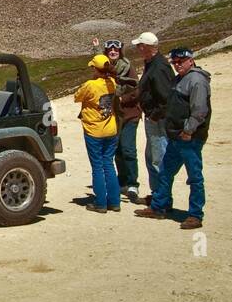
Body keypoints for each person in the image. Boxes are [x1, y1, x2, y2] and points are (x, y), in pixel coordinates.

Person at [135, 47, 211, 229]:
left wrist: (188, 130)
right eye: (175, 62)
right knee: (165, 171)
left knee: (194, 177)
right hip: (176, 136)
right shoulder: (179, 79)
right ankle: (159, 206)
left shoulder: (196, 80)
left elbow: (200, 110)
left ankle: (195, 215)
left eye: (181, 62)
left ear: (190, 60)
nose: (177, 65)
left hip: (189, 138)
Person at [92, 37, 140, 201]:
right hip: (114, 117)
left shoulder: (127, 68)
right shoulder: (105, 70)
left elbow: (136, 90)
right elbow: (98, 65)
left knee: (128, 149)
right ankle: (122, 181)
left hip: (129, 114)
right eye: (110, 50)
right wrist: (96, 48)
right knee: (117, 150)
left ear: (120, 52)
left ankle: (133, 183)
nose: (113, 52)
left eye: (116, 50)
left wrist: (122, 99)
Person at [129, 31, 175, 205]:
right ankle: (157, 195)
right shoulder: (152, 64)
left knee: (158, 158)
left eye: (140, 46)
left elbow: (166, 97)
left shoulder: (159, 67)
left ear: (148, 47)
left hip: (157, 119)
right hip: (152, 117)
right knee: (151, 157)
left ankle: (161, 201)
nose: (138, 49)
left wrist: (155, 115)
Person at [74, 54, 120, 213]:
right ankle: (114, 201)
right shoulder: (112, 83)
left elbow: (76, 97)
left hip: (94, 130)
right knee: (109, 163)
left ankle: (100, 202)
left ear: (95, 69)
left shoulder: (90, 85)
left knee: (97, 166)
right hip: (111, 129)